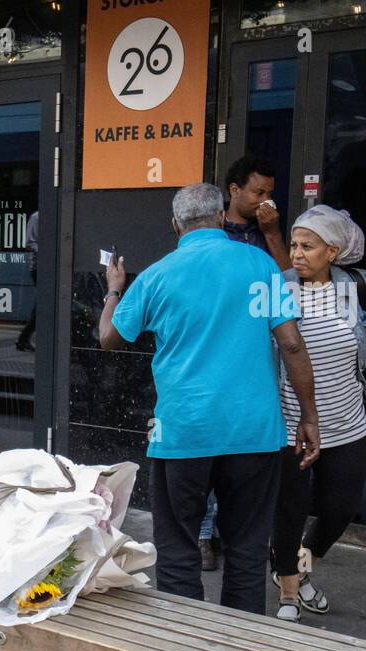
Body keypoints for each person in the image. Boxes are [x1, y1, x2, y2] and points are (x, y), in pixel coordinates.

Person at [99, 182, 319, 615]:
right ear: (221, 217)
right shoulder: (260, 264)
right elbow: (292, 345)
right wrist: (309, 417)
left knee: (179, 548)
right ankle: (239, 650)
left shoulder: (159, 275)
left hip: (183, 432)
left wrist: (113, 290)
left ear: (175, 225)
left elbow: (108, 338)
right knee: (248, 547)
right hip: (254, 433)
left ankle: (186, 649)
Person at [271, 206, 366, 622]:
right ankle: (289, 592)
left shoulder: (358, 287)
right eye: (293, 245)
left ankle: (302, 564)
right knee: (289, 509)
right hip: (292, 423)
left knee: (341, 507)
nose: (296, 254)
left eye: (307, 246)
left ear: (333, 251)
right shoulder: (279, 289)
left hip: (347, 424)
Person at [223, 155, 291, 271]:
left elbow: (288, 279)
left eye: (269, 194)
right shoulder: (214, 227)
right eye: (259, 193)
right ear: (234, 190)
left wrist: (273, 234)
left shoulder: (269, 226)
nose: (266, 201)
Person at [16, 210, 38, 352]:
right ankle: (23, 339)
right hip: (39, 266)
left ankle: (24, 339)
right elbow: (29, 243)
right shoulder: (36, 217)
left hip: (45, 266)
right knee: (43, 305)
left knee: (42, 305)